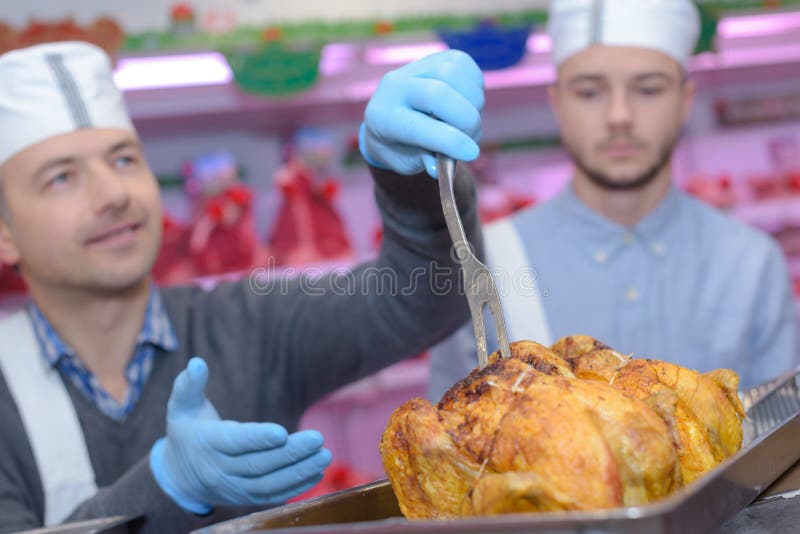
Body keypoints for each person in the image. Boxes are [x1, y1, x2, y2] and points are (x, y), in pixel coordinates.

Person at [0, 41, 484, 532]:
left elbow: (422, 299)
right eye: (61, 177)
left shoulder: (244, 324)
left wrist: (410, 179)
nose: (114, 194)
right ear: (4, 233)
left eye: (124, 160)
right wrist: (166, 487)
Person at [428, 0, 799, 401]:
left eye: (648, 89)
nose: (619, 115)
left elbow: (781, 444)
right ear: (557, 103)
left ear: (685, 100)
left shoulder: (750, 263)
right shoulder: (484, 264)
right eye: (590, 91)